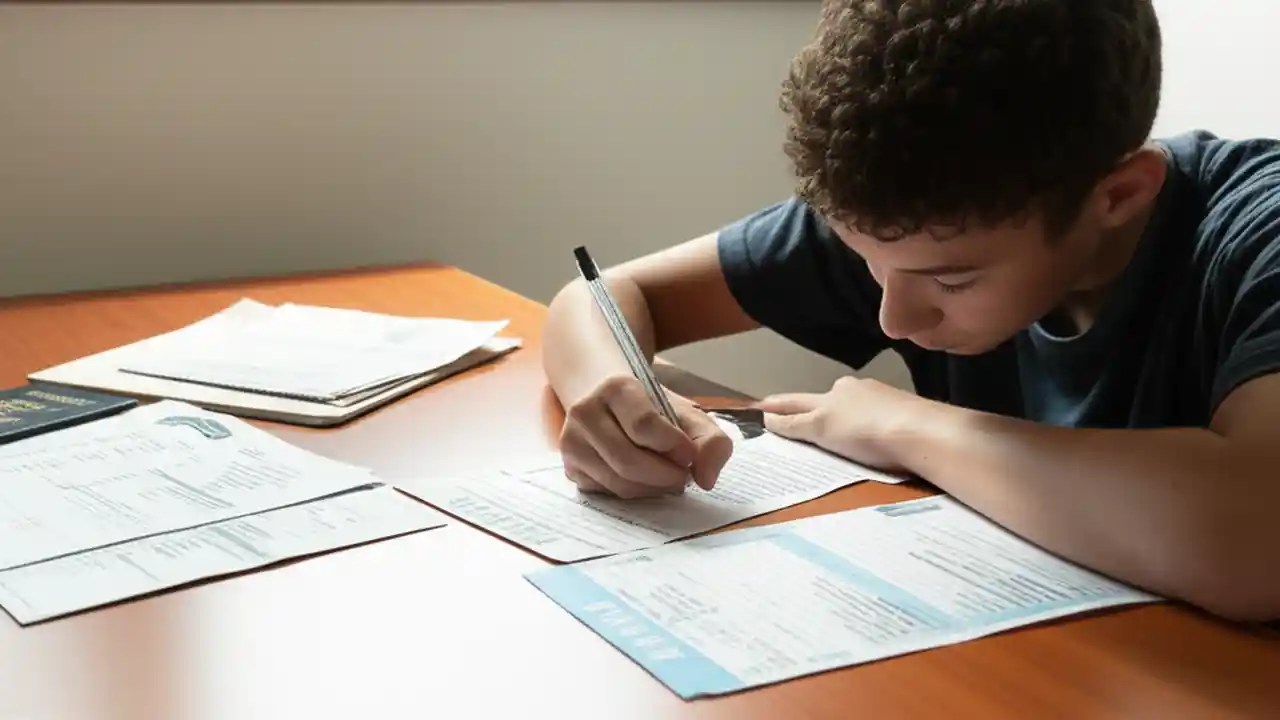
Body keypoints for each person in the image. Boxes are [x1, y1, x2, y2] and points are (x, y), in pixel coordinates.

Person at [541, 0, 1280, 622]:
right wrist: (610, 390)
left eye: (952, 284)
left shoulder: (1257, 233)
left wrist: (904, 424)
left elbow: (1258, 540)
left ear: (1118, 196)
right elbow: (605, 296)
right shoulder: (913, 219)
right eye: (866, 261)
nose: (894, 316)